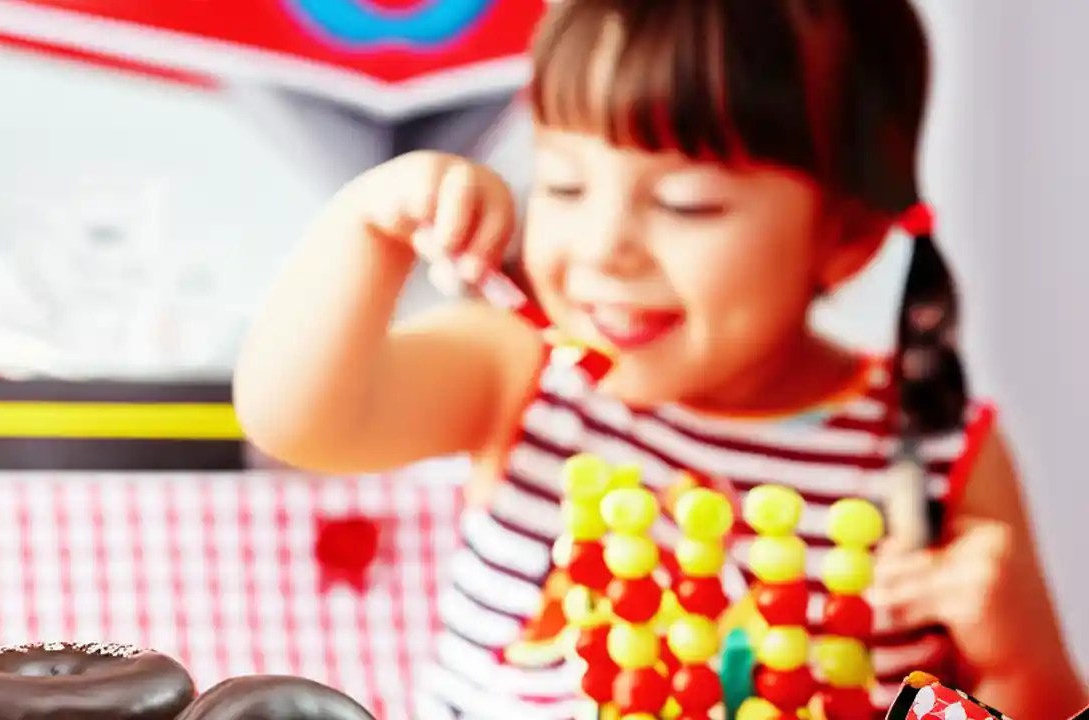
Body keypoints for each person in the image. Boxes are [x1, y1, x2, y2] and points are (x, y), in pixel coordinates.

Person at [236, 0, 1085, 717]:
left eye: (686, 203)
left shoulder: (936, 451)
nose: (605, 249)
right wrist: (370, 230)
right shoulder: (523, 370)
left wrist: (1012, 656)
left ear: (848, 236)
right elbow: (300, 420)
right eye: (564, 185)